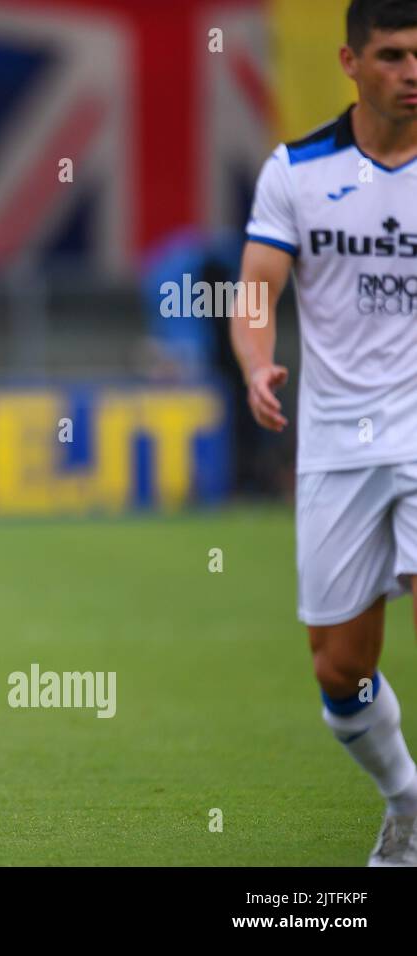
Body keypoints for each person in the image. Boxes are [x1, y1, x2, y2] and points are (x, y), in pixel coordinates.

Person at [232, 0, 417, 865]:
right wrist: (256, 361)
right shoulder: (298, 169)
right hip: (339, 440)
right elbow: (258, 290)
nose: (410, 71)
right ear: (350, 61)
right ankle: (406, 799)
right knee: (340, 672)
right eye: (391, 55)